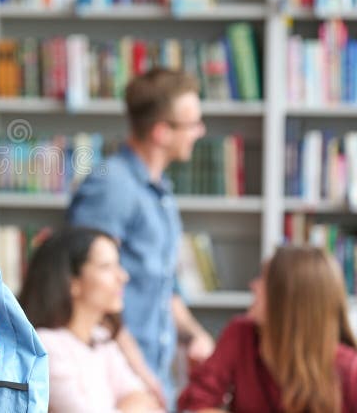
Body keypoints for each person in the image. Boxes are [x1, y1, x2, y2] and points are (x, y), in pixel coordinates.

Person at [67, 68, 215, 405]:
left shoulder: (160, 192)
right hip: (119, 377)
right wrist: (139, 374)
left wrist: (194, 334)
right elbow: (88, 288)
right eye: (192, 124)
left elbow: (165, 286)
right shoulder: (112, 187)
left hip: (153, 374)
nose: (200, 131)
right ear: (162, 132)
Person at [178, 245, 357, 413]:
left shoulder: (349, 370)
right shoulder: (242, 333)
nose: (253, 285)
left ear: (289, 300)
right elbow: (196, 401)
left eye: (264, 279)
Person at [20, 226, 164, 413]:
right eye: (106, 267)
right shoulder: (46, 346)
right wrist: (129, 406)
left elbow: (149, 403)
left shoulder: (101, 339)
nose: (123, 276)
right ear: (72, 282)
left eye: (118, 265)